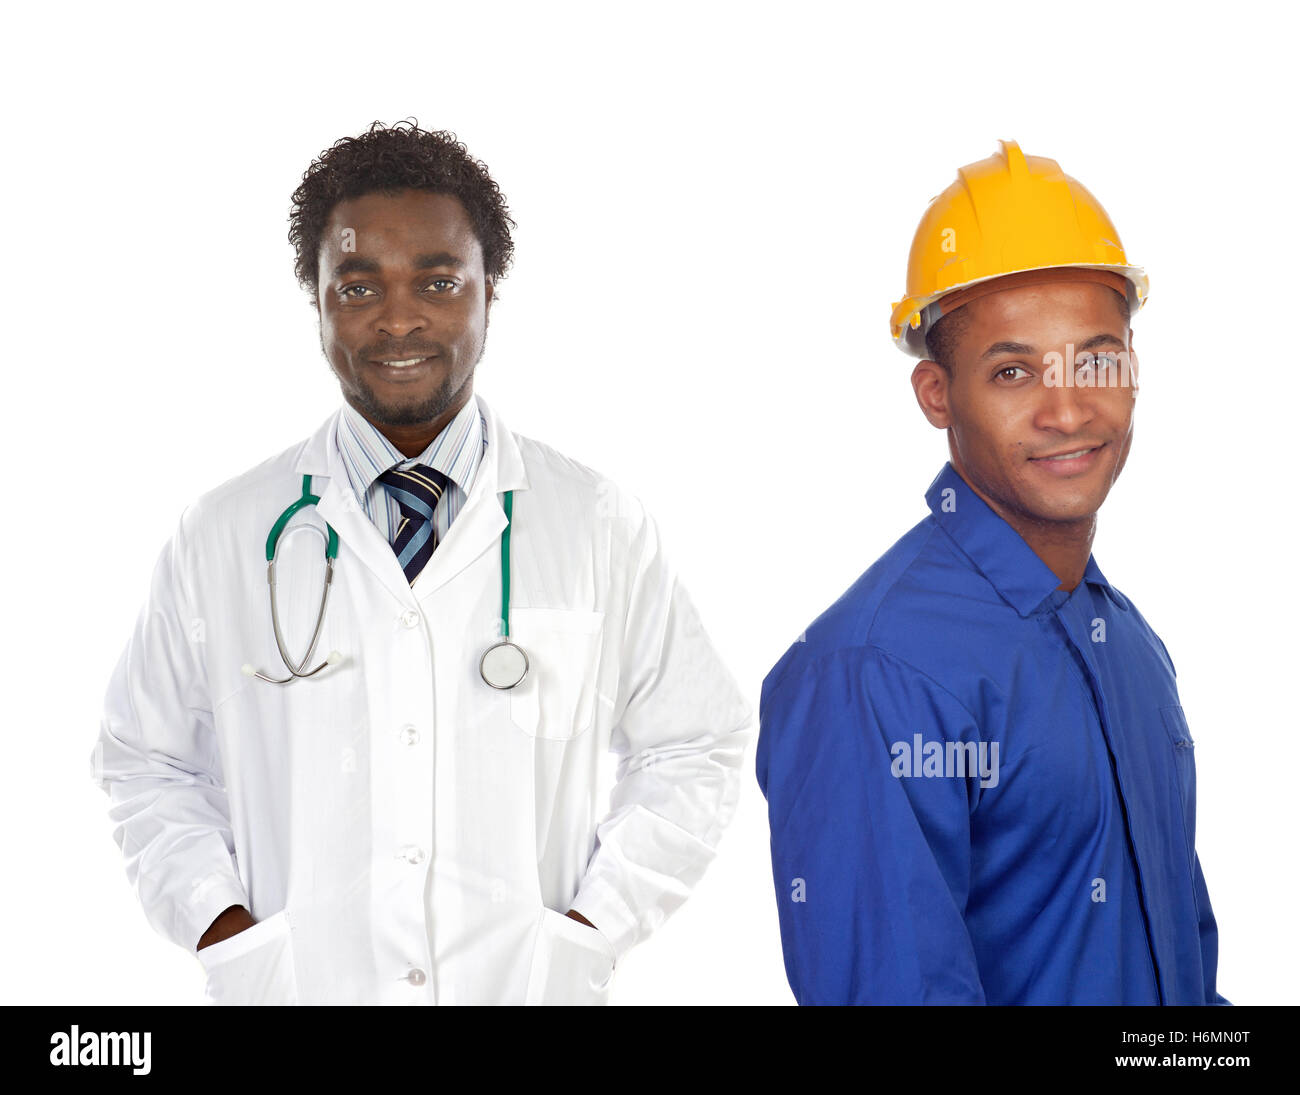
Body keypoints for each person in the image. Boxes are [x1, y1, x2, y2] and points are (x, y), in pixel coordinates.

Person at [92, 120, 751, 1005]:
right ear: (317, 301)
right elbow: (144, 759)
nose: (398, 319)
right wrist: (226, 929)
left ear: (489, 292)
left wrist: (591, 929)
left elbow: (696, 742)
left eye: (438, 282)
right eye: (358, 284)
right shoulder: (220, 533)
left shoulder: (599, 525)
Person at [756, 140, 1227, 1005]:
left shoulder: (1127, 647)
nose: (1068, 408)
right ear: (937, 394)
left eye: (1096, 359)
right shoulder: (871, 672)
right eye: (1013, 371)